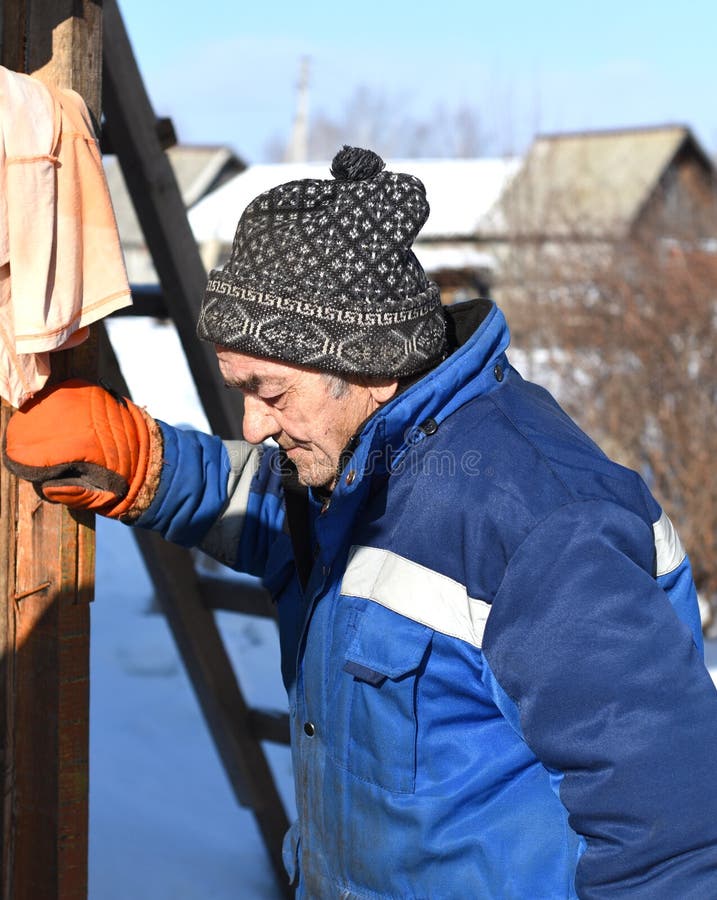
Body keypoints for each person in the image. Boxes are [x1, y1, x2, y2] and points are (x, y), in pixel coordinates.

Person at [4, 146, 717, 899]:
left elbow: (675, 840)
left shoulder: (542, 525)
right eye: (238, 388)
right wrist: (146, 464)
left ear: (370, 366)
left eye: (270, 392)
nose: (252, 424)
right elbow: (278, 515)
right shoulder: (358, 460)